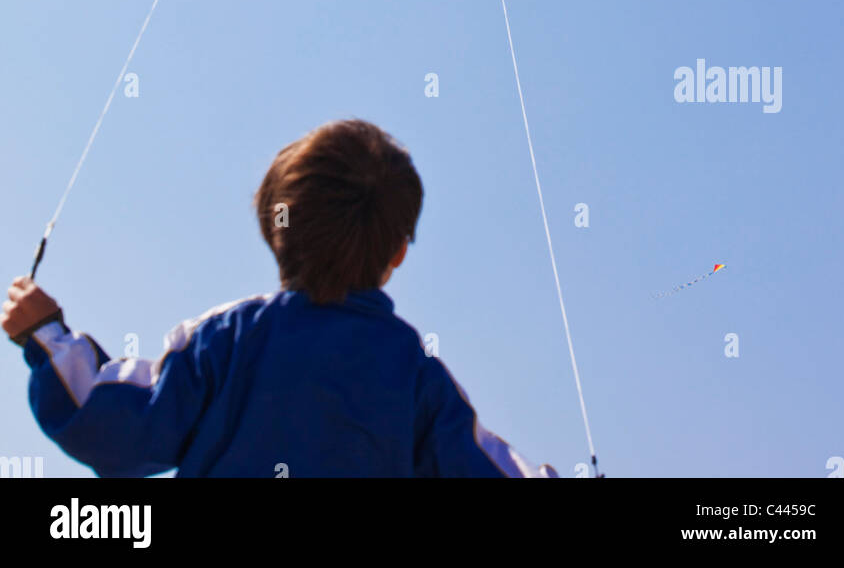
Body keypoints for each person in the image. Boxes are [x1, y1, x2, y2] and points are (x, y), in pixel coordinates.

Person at [3, 119, 558, 478]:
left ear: (275, 231)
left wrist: (45, 333)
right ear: (398, 255)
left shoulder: (227, 340)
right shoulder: (412, 372)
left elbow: (114, 426)